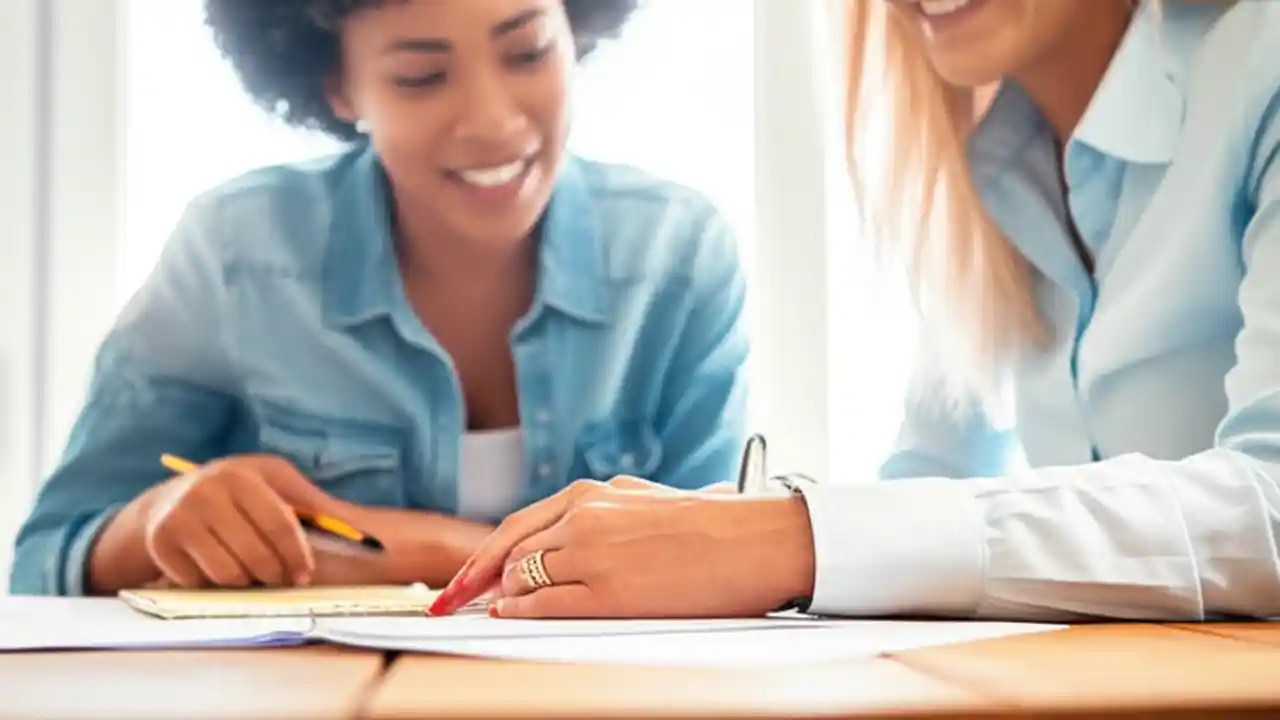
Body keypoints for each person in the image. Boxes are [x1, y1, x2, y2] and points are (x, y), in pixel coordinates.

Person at [430, 0, 1280, 621]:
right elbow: (931, 484)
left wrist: (789, 539)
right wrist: (728, 547)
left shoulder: (1260, 66)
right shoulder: (988, 170)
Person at [10, 0, 749, 596]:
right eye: (421, 77)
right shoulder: (237, 253)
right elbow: (43, 561)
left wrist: (413, 548)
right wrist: (152, 523)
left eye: (527, 52)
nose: (492, 120)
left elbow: (718, 570)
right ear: (339, 87)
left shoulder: (675, 260)